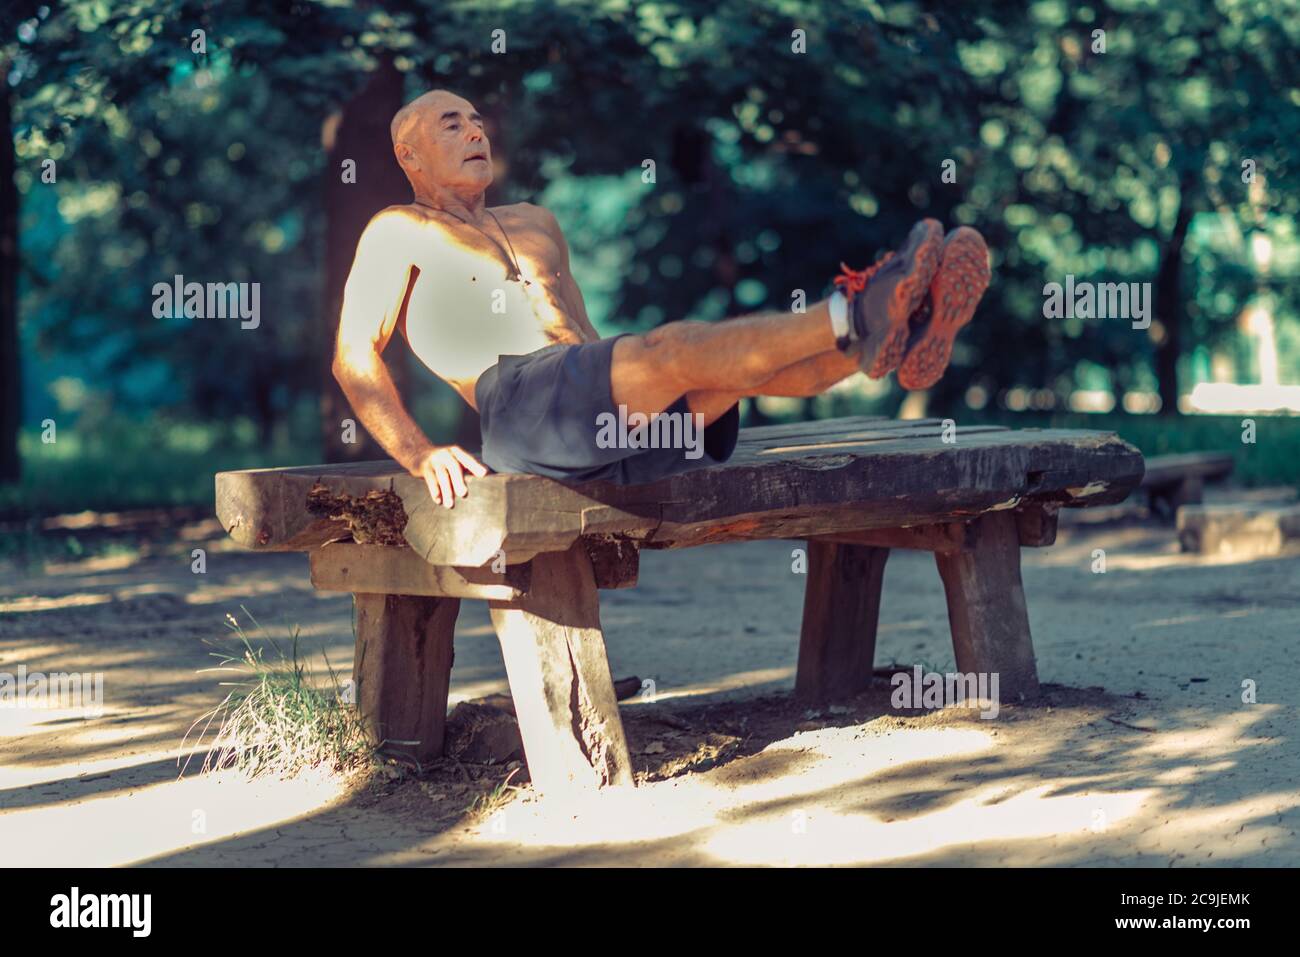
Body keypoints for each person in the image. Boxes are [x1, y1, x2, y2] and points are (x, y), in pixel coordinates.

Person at [333, 90, 990, 507]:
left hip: (600, 423)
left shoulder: (534, 220)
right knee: (675, 346)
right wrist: (420, 454)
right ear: (409, 153)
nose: (476, 132)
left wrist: (620, 375)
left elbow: (580, 335)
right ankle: (860, 308)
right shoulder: (399, 230)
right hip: (521, 406)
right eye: (453, 125)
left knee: (731, 370)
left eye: (478, 121)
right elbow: (352, 356)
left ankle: (897, 325)